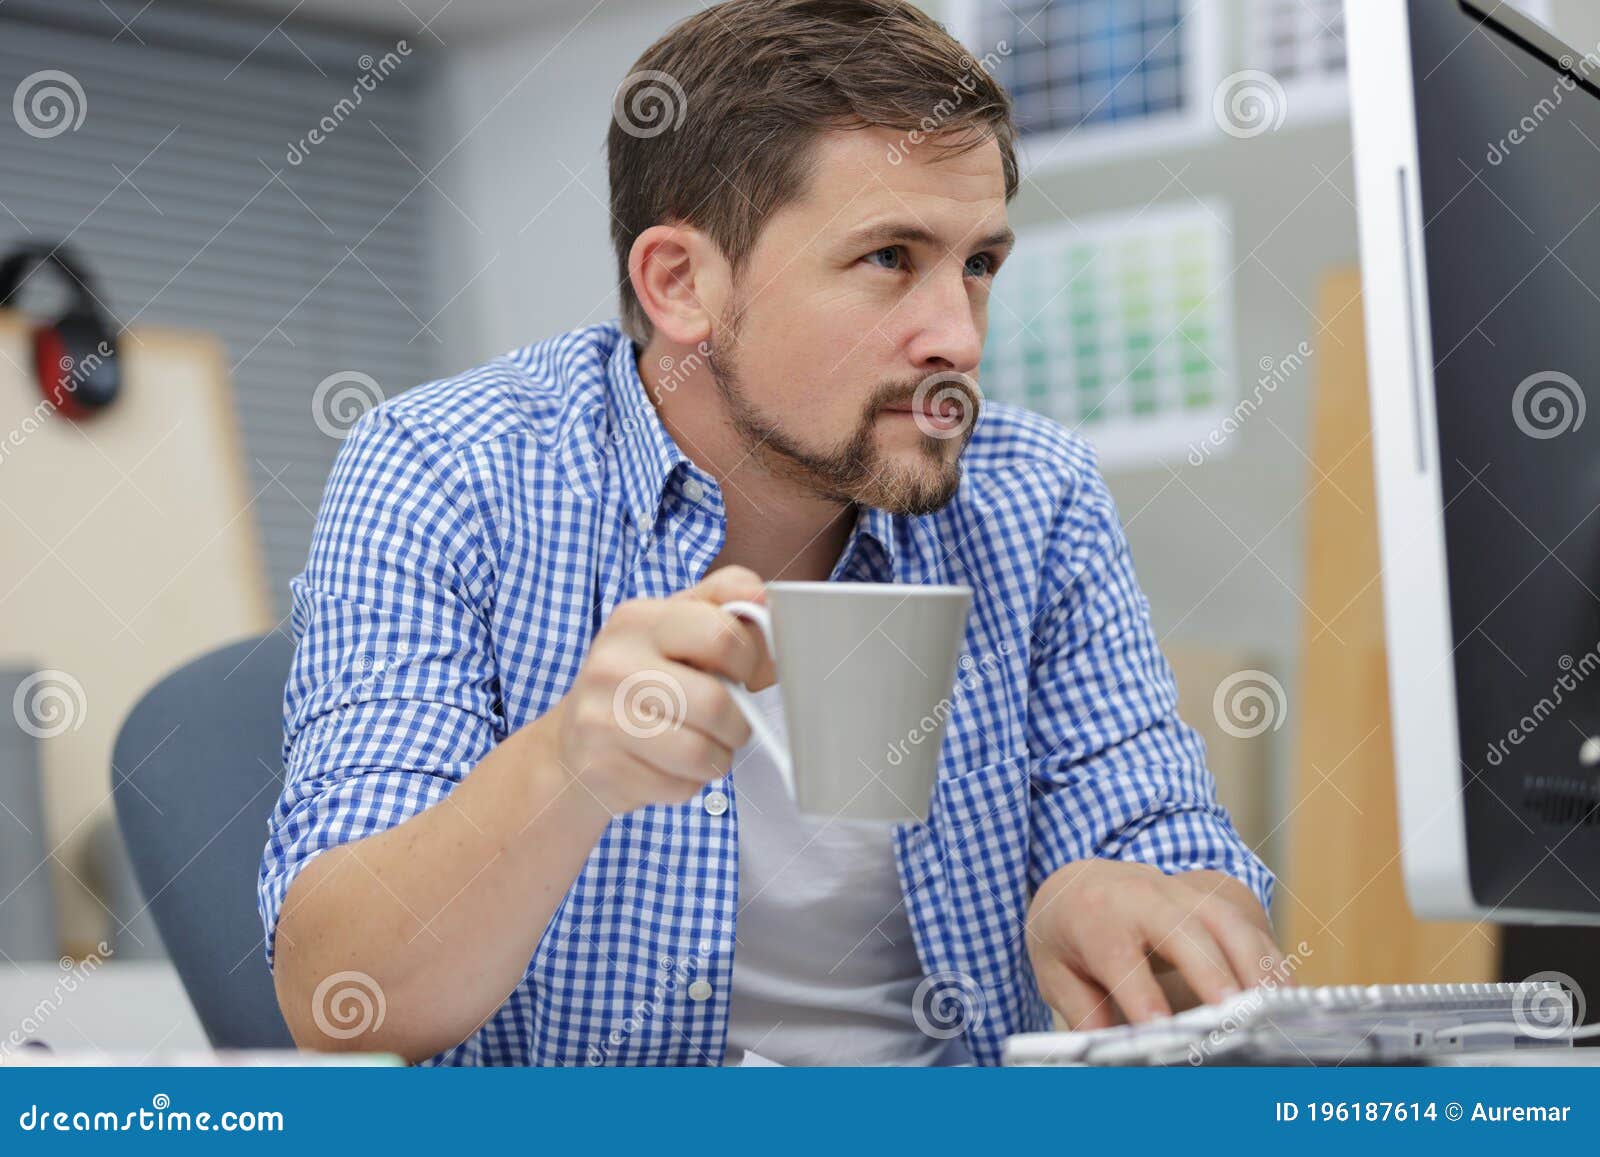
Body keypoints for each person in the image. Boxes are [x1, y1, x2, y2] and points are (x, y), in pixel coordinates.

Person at [259, 0, 1280, 1067]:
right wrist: (565, 770)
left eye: (977, 263)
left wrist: (1136, 907)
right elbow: (346, 999)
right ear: (681, 284)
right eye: (891, 256)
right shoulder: (447, 470)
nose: (959, 336)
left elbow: (1184, 870)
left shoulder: (1032, 493)